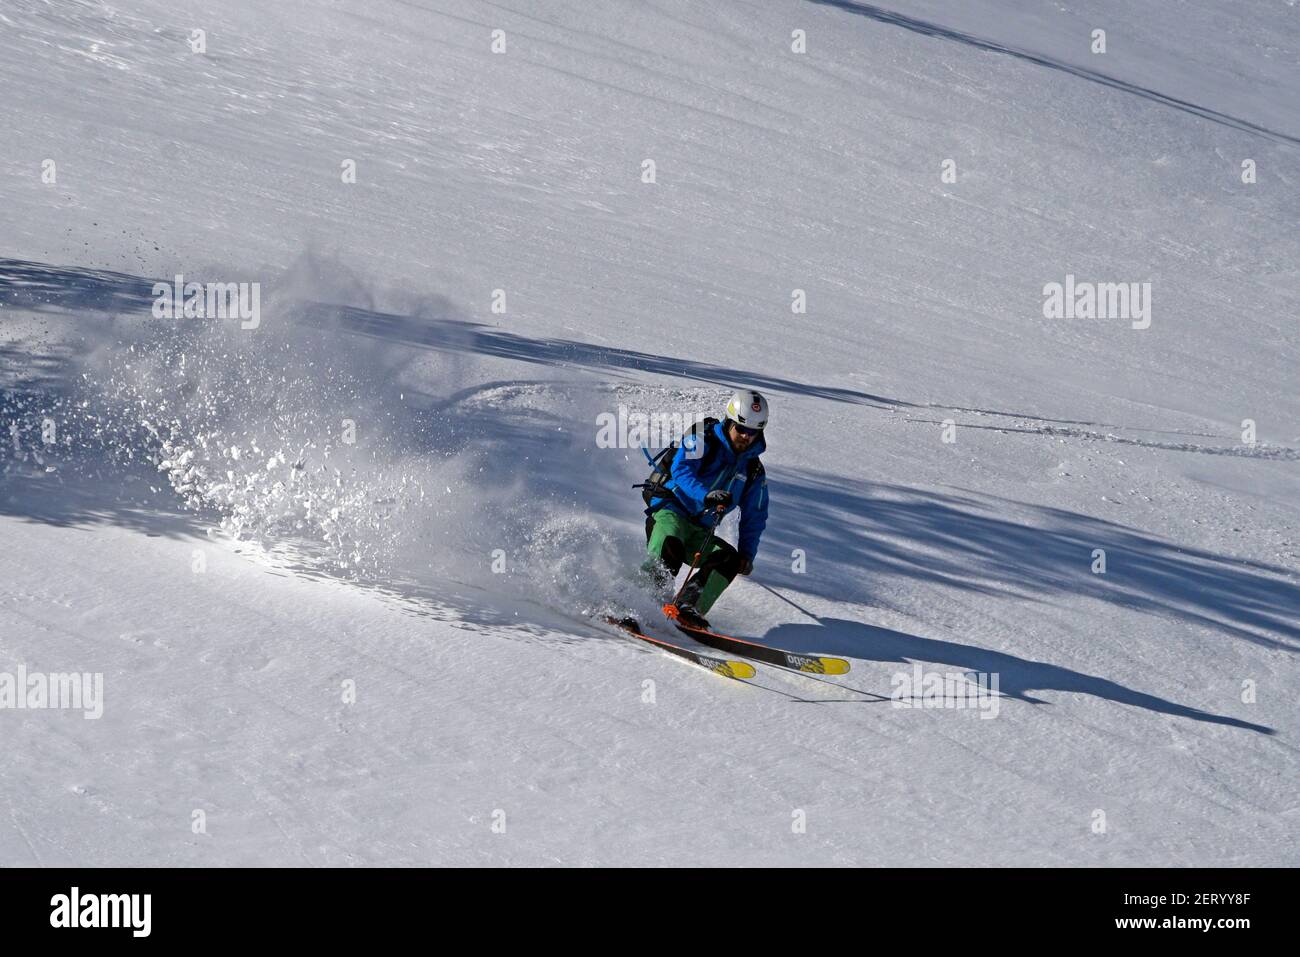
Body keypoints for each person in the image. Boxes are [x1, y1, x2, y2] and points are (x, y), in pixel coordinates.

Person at [642, 389, 769, 628]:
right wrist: (705, 495)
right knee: (671, 540)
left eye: (752, 432)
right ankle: (637, 599)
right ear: (730, 421)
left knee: (728, 559)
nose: (745, 436)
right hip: (670, 508)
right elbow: (681, 469)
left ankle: (688, 607)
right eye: (741, 429)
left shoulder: (752, 470)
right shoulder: (704, 439)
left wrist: (747, 554)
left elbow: (755, 515)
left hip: (699, 529)